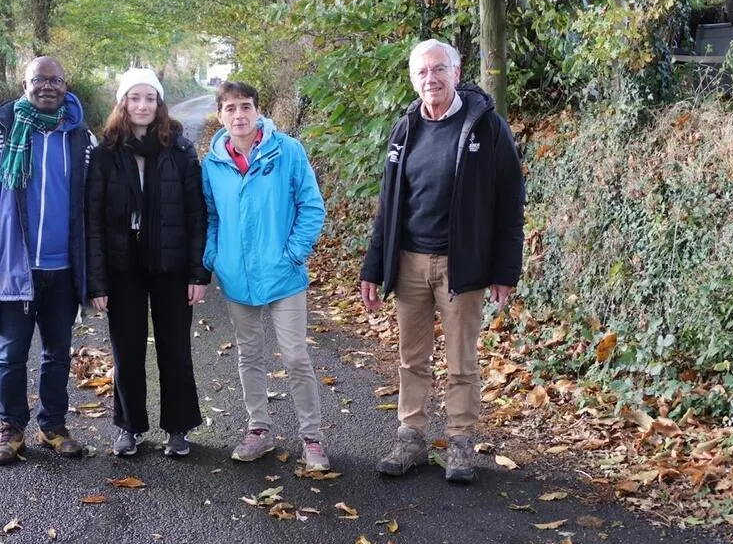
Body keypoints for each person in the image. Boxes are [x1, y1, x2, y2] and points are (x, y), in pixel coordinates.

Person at [360, 39, 525, 484]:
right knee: (411, 358)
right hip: (409, 261)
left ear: (456, 72)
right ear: (413, 80)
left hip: (462, 266)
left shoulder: (487, 128)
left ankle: (460, 442)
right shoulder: (405, 128)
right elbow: (388, 205)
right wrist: (374, 266)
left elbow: (511, 204)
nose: (430, 80)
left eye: (438, 70)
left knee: (460, 361)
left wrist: (505, 270)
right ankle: (410, 436)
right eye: (421, 73)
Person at [0, 56, 97, 466]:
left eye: (55, 80)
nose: (47, 87)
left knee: (58, 352)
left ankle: (53, 425)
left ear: (65, 84)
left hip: (63, 268)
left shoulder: (81, 138)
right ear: (25, 84)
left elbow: (94, 205)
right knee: (10, 353)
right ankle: (11, 428)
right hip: (12, 266)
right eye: (39, 80)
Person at [202, 81, 330, 472]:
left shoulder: (287, 151)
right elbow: (210, 216)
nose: (239, 115)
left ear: (258, 111)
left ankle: (312, 438)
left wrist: (293, 254)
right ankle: (259, 429)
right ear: (220, 116)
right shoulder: (212, 163)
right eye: (230, 108)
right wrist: (215, 257)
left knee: (295, 356)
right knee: (250, 355)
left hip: (284, 275)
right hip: (237, 278)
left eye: (246, 107)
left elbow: (311, 206)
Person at [86, 68, 209, 458]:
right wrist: (97, 282)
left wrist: (198, 273)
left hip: (171, 265)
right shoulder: (105, 153)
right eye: (134, 98)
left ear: (159, 103)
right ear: (123, 103)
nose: (142, 105)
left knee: (175, 347)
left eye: (150, 98)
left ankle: (178, 427)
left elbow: (196, 215)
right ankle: (129, 427)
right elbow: (92, 220)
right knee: (127, 348)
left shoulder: (180, 149)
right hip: (124, 267)